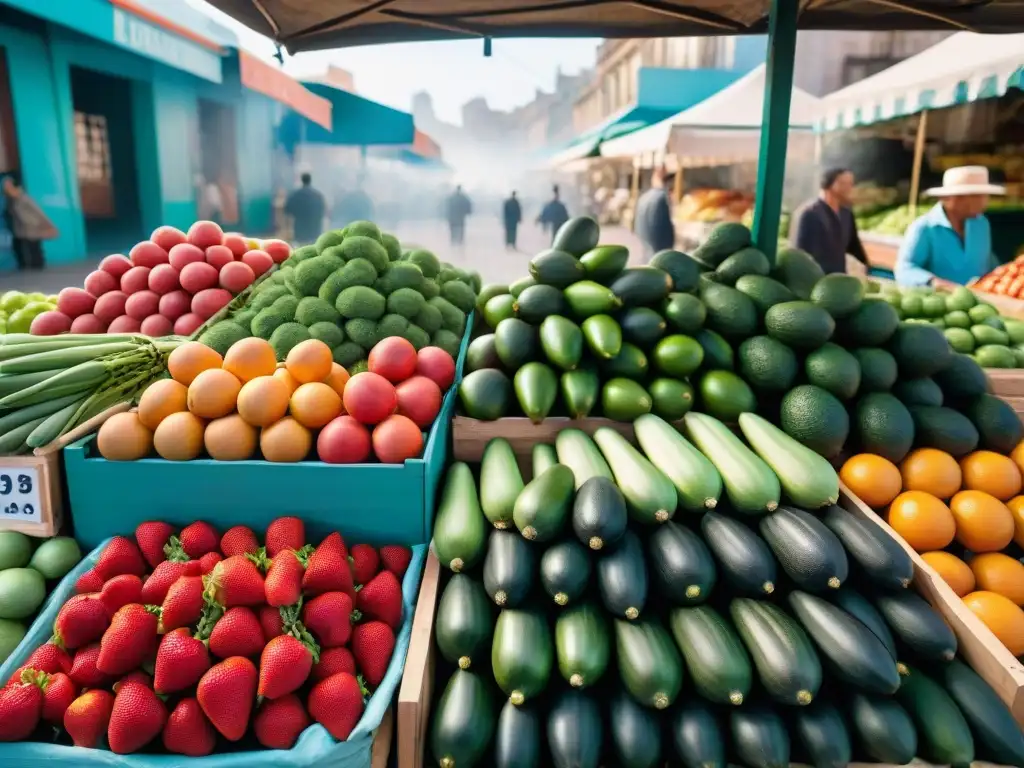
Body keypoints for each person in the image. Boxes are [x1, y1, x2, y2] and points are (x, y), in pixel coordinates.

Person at [895, 166, 1004, 287]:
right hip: (939, 302)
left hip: (979, 299)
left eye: (985, 196)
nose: (984, 202)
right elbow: (905, 269)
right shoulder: (925, 228)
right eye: (976, 196)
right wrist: (934, 283)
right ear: (950, 198)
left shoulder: (982, 224)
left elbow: (987, 262)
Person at [789, 167, 869, 274]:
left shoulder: (846, 214)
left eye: (850, 184)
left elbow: (853, 245)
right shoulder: (808, 213)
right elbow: (797, 254)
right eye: (843, 183)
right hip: (814, 281)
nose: (849, 188)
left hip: (838, 279)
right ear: (828, 185)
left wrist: (866, 266)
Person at [2, 172, 56, 270]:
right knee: (24, 251)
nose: (5, 188)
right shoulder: (12, 200)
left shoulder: (23, 198)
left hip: (31, 229)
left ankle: (37, 270)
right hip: (21, 230)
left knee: (34, 250)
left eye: (8, 186)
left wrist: (49, 227)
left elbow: (39, 213)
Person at [634, 167, 676, 258]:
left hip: (645, 246)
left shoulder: (643, 197)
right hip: (658, 249)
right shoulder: (661, 197)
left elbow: (637, 225)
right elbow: (662, 225)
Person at [284, 173, 326, 245]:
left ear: (302, 180)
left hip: (300, 231)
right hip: (315, 231)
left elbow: (287, 210)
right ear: (310, 180)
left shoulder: (295, 195)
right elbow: (323, 211)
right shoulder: (317, 195)